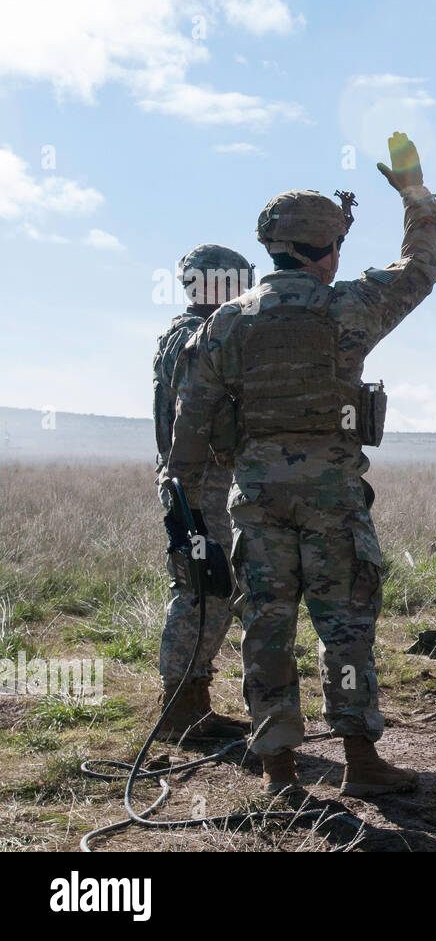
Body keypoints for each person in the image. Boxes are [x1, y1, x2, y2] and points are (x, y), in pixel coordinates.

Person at [165, 132, 436, 796]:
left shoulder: (225, 323)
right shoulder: (349, 305)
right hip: (332, 498)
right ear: (329, 248)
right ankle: (360, 762)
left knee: (266, 627)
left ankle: (280, 775)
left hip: (254, 500)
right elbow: (423, 266)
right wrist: (415, 195)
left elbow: (191, 423)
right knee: (344, 627)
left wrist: (187, 498)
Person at [151, 244, 254, 742]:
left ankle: (189, 701)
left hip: (192, 480)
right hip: (202, 482)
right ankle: (180, 706)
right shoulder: (200, 337)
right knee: (201, 588)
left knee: (209, 585)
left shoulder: (179, 334)